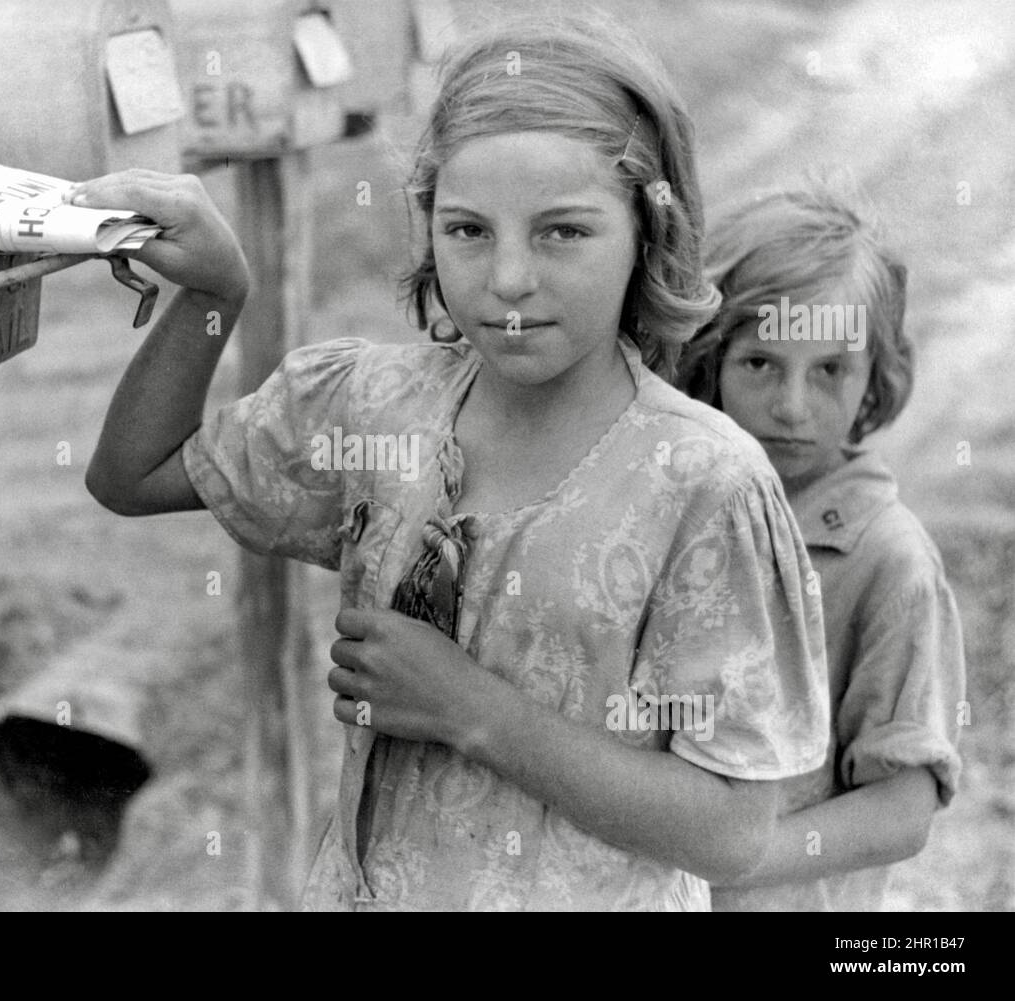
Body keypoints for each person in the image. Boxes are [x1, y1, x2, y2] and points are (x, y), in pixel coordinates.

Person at [78, 10, 830, 910]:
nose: (509, 278)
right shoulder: (374, 407)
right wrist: (214, 292)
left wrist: (470, 709)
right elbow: (134, 473)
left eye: (563, 231)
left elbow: (735, 832)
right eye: (469, 230)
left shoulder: (703, 484)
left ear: (647, 231)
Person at [677, 177, 965, 910]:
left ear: (874, 379)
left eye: (830, 369)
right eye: (761, 363)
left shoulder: (890, 561)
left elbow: (902, 809)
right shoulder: (671, 505)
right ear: (711, 359)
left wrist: (724, 859)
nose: (793, 407)